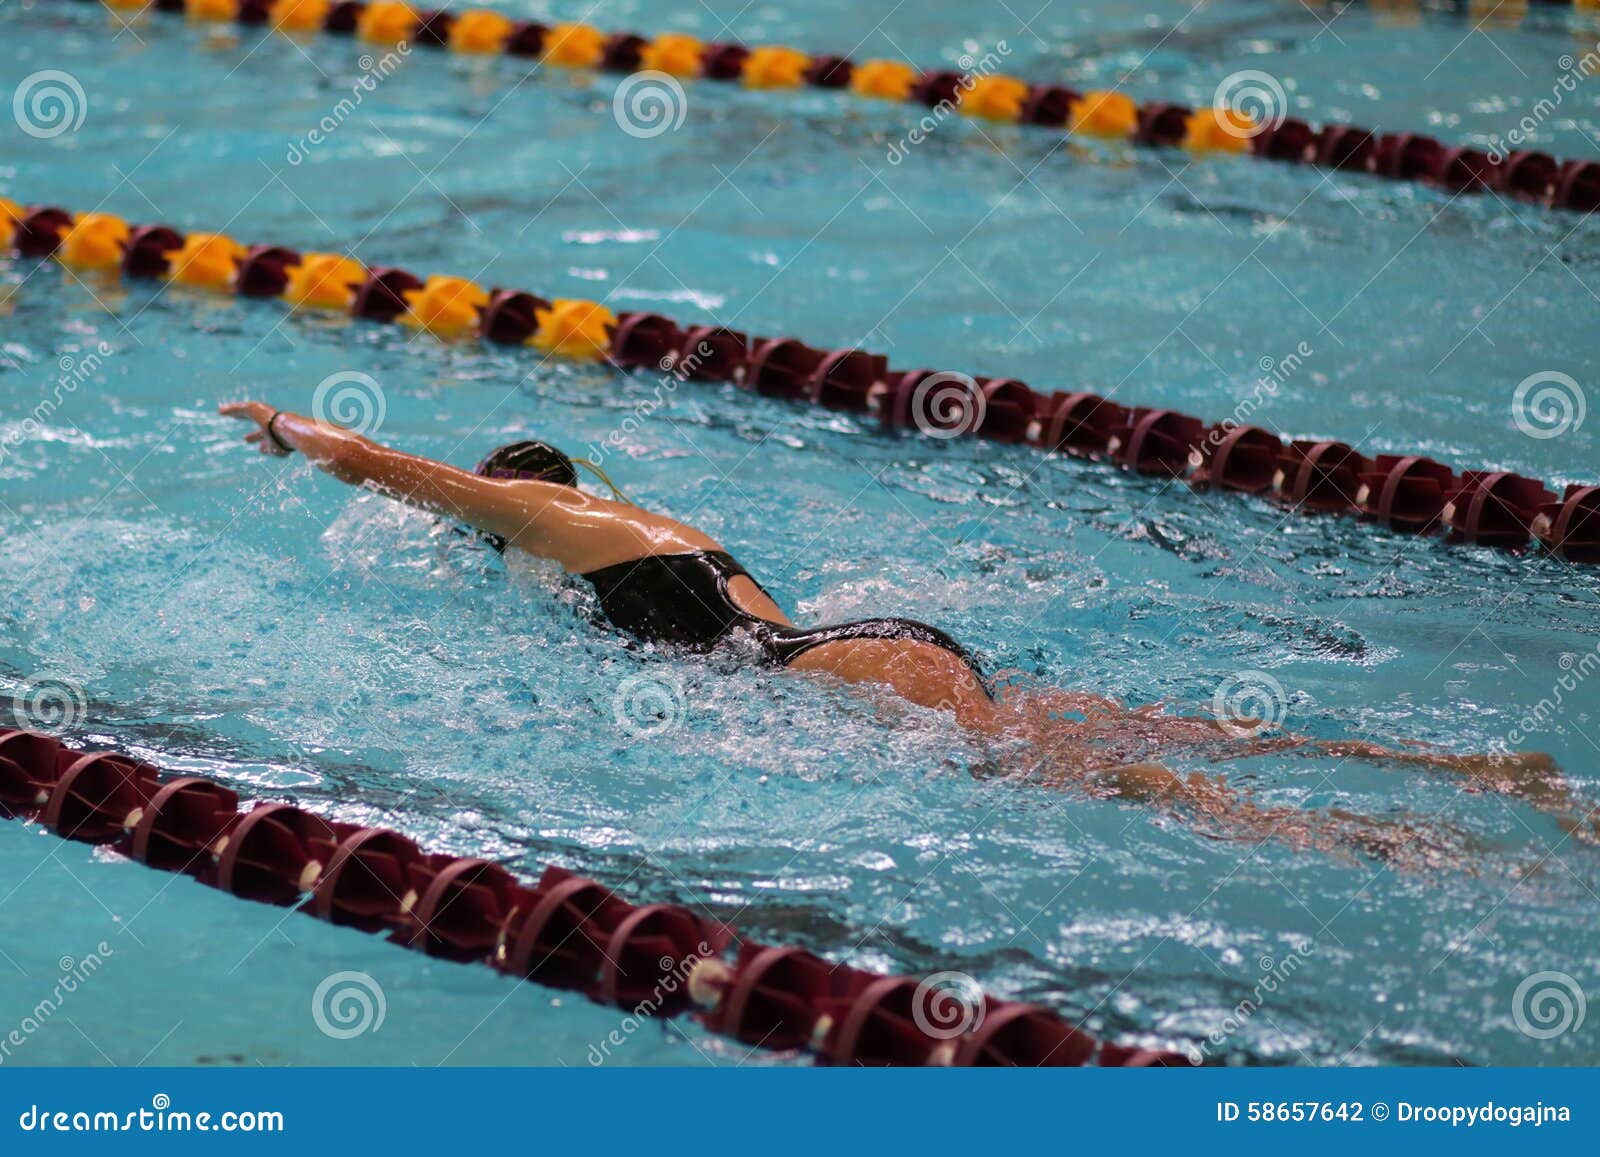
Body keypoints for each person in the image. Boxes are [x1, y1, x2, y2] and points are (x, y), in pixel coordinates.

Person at [220, 401, 1586, 861]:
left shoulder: (550, 518)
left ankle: (1375, 842)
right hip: (871, 649)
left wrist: (289, 428)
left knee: (1103, 774)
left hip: (845, 669)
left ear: (523, 491)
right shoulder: (642, 525)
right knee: (1129, 734)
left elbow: (391, 468)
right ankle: (1472, 771)